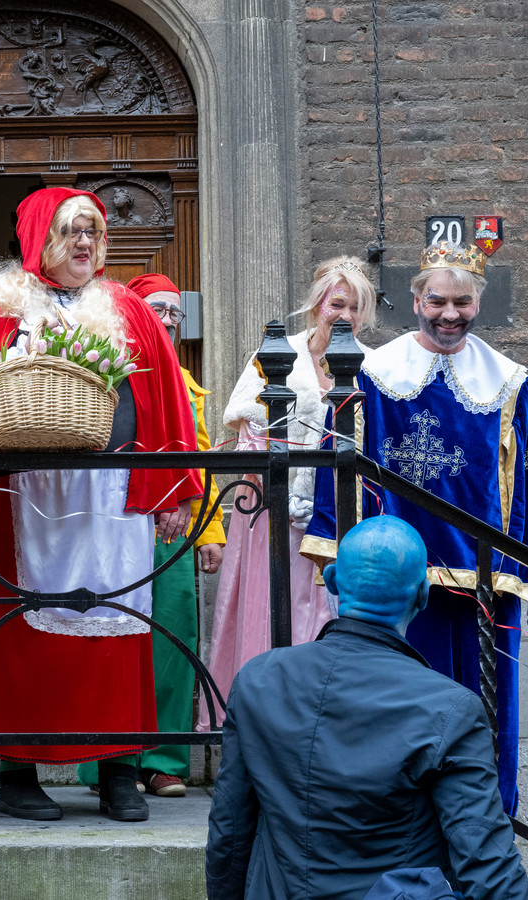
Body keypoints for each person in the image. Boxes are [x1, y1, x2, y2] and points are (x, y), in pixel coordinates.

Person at [0, 187, 202, 822]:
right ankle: (18, 774)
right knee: (18, 636)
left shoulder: (129, 310)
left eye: (93, 232)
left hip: (114, 499)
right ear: (39, 239)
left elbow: (166, 402)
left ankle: (119, 772)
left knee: (120, 629)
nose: (85, 243)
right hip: (24, 497)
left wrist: (172, 489)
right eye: (71, 231)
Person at [302, 240, 528, 814]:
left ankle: (483, 821)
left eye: (462, 303)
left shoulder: (510, 381)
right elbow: (337, 463)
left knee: (485, 710)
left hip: (487, 581)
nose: (450, 314)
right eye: (438, 301)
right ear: (417, 300)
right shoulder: (373, 375)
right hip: (394, 580)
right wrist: (336, 548)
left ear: (477, 304)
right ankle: (398, 821)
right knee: (395, 703)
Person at [206, 516, 528, 900]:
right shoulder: (451, 710)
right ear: (423, 596)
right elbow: (489, 869)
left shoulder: (258, 680)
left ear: (331, 581)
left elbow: (229, 832)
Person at [197, 256, 375, 731]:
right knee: (272, 610)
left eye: (356, 307)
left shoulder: (373, 366)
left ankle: (323, 728)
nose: (346, 315)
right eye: (337, 304)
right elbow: (247, 431)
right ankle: (260, 724)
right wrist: (280, 489)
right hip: (271, 512)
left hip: (341, 518)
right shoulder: (279, 354)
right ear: (317, 305)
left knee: (327, 616)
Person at [77, 272, 225, 798]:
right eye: (154, 309)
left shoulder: (184, 383)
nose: (166, 320)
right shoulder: (101, 370)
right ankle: (105, 763)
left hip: (171, 525)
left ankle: (163, 761)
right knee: (109, 635)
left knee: (172, 638)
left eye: (174, 312)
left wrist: (210, 531)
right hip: (113, 520)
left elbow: (199, 462)